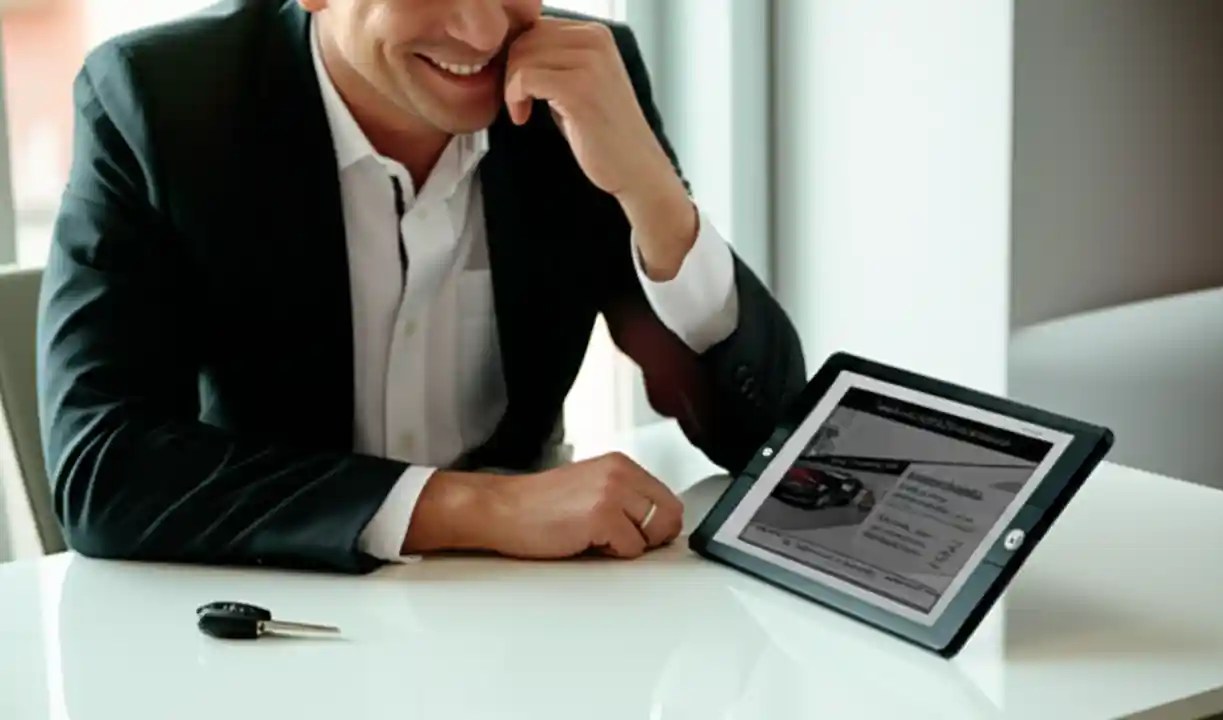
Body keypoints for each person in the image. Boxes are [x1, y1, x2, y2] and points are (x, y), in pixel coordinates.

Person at [37, 0, 805, 573]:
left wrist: (654, 196)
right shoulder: (159, 101)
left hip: (528, 627)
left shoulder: (581, 86)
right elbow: (106, 469)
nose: (480, 32)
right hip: (271, 620)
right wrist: (478, 506)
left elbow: (766, 439)